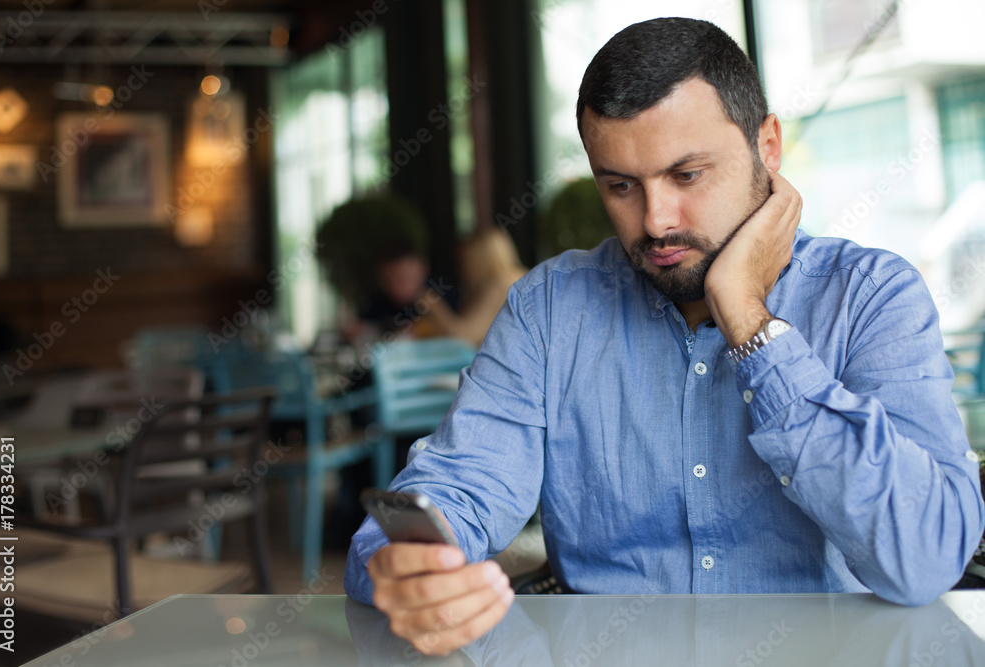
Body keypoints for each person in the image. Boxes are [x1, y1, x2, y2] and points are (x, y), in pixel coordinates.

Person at [345, 17, 985, 655]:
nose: (655, 222)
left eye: (687, 175)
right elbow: (454, 491)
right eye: (620, 186)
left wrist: (748, 319)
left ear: (767, 146)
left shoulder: (871, 297)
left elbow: (926, 558)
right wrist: (408, 570)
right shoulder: (549, 311)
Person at [425, 227, 529, 346]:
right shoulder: (518, 279)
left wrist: (431, 303)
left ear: (478, 261)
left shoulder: (500, 286)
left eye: (464, 261)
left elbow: (464, 338)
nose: (459, 270)